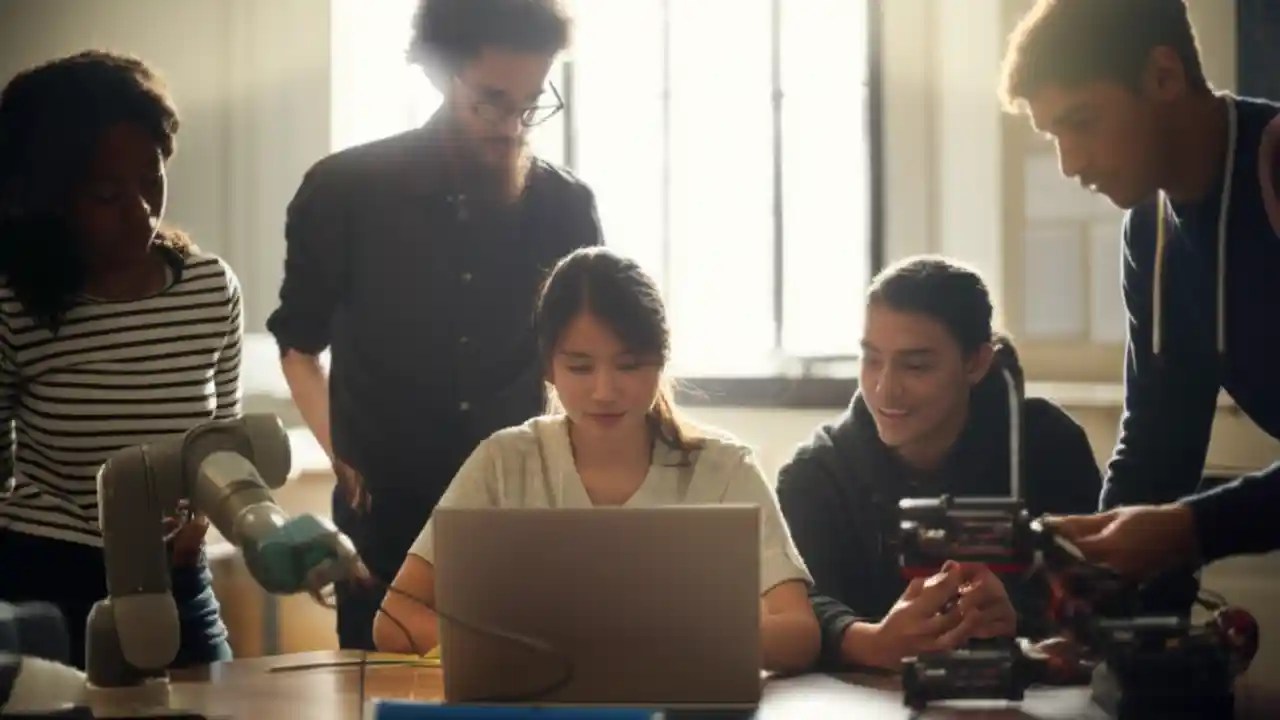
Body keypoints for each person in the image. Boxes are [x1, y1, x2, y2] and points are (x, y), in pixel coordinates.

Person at [267, 0, 602, 649]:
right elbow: (298, 346)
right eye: (491, 101)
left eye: (531, 102)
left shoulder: (565, 206)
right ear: (440, 74)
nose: (512, 125)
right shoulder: (343, 192)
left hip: (521, 513)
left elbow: (584, 360)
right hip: (384, 517)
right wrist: (343, 459)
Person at [373, 247, 821, 674]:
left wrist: (676, 644)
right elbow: (395, 617)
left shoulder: (725, 469)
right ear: (549, 367)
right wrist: (516, 657)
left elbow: (799, 632)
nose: (605, 391)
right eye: (581, 368)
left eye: (628, 366)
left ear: (660, 361)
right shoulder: (502, 462)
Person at [999, 0, 1280, 586]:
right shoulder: (1150, 232)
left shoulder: (1273, 166)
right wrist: (1084, 578)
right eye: (1054, 135)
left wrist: (1190, 529)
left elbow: (1176, 519)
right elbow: (1157, 448)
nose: (1069, 163)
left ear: (1163, 76)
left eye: (1081, 122)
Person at [0, 51, 239, 668]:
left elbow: (224, 444)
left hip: (176, 578)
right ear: (48, 198)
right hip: (48, 578)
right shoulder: (15, 303)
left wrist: (204, 522)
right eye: (107, 194)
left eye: (152, 180)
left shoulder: (209, 288)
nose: (140, 210)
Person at [776, 256, 1101, 671]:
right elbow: (793, 604)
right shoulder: (815, 474)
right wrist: (869, 641)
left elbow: (1101, 600)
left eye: (916, 366)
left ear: (976, 362)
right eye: (872, 359)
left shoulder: (1050, 447)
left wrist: (1020, 619)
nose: (885, 388)